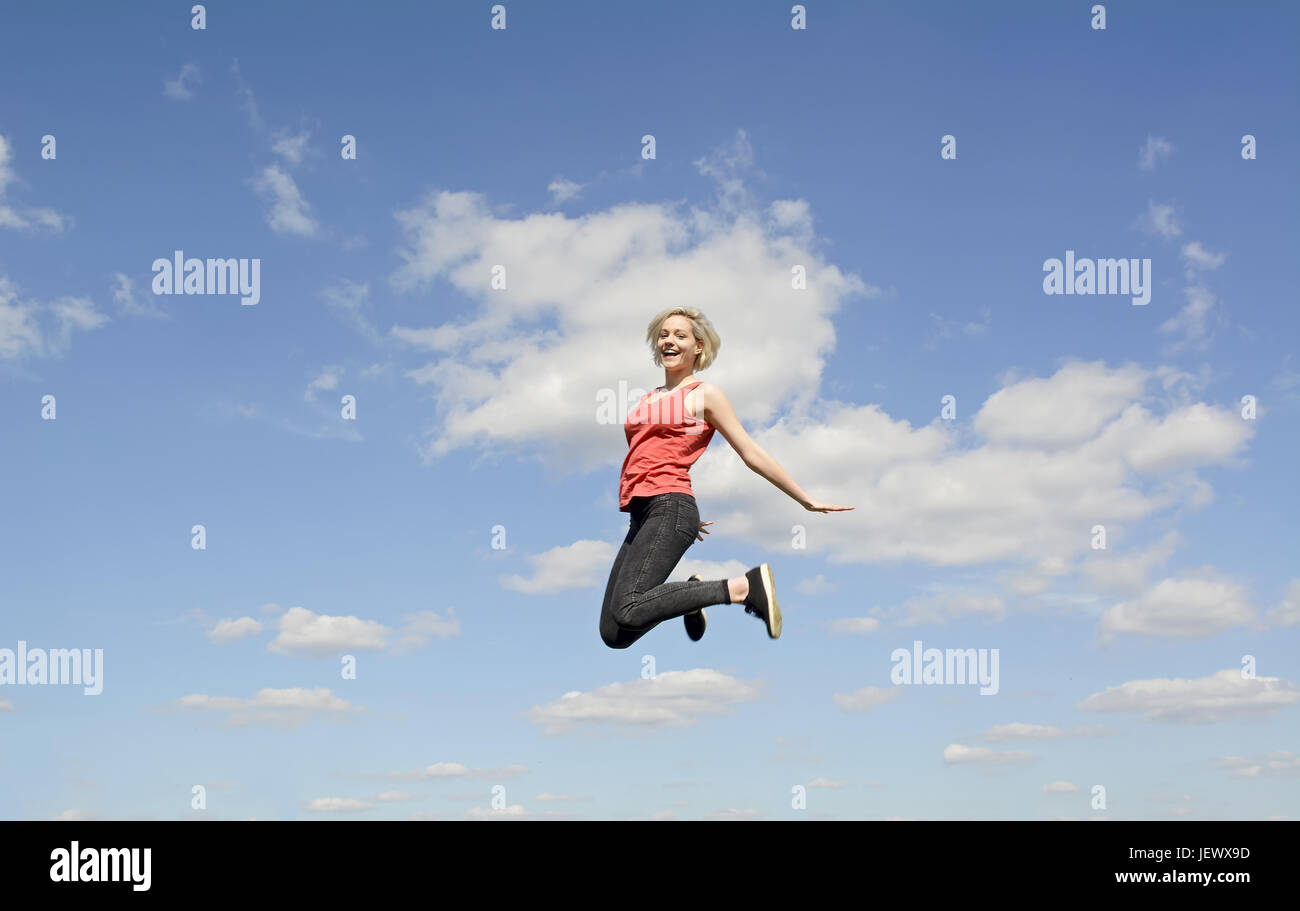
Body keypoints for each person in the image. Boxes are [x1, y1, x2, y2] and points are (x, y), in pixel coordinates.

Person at [599, 306, 853, 649]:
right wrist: (677, 517)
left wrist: (804, 498)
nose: (669, 341)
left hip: (668, 506)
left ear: (698, 347)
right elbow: (650, 456)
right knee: (614, 633)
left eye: (680, 335)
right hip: (646, 513)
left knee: (628, 609)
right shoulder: (648, 397)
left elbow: (751, 452)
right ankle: (695, 595)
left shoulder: (704, 394)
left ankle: (742, 587)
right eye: (663, 335)